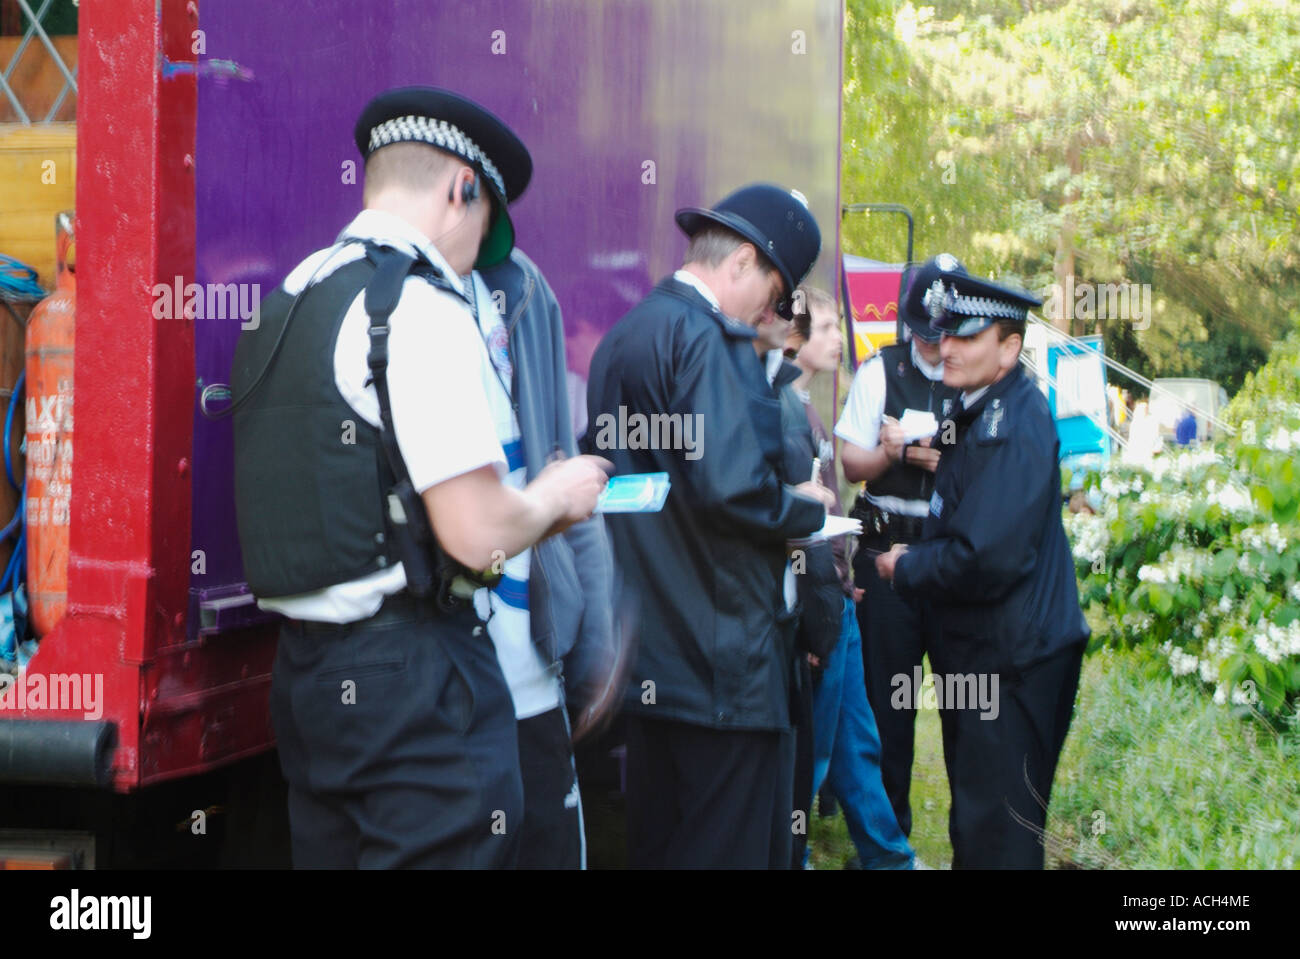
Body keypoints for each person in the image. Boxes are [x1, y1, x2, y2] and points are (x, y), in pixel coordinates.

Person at [230, 87, 610, 868]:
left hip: (308, 680)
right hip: (417, 682)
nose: (477, 254)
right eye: (483, 226)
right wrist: (556, 499)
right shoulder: (419, 306)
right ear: (461, 188)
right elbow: (475, 531)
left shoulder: (293, 297)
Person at [585, 183, 827, 868]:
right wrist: (810, 506)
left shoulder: (623, 338)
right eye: (777, 293)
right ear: (744, 260)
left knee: (660, 845)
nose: (773, 314)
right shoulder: (710, 340)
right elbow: (730, 491)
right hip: (725, 669)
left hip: (650, 662)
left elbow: (625, 488)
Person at [873, 266, 1090, 869]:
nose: (948, 348)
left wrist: (906, 567)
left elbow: (985, 556)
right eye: (945, 335)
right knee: (980, 817)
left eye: (967, 337)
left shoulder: (1012, 421)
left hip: (1014, 663)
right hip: (989, 656)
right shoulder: (978, 408)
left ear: (1010, 347)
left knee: (999, 835)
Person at [472, 247, 620, 868]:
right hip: (509, 685)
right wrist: (594, 666)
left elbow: (572, 520)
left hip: (496, 682)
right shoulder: (512, 290)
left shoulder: (512, 289)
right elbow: (574, 527)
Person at [784, 285, 915, 869]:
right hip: (821, 618)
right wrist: (817, 619)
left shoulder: (807, 407)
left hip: (839, 604)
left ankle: (890, 858)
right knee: (809, 752)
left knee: (855, 742)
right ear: (795, 337)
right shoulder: (784, 415)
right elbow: (794, 530)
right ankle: (790, 853)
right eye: (830, 328)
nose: (841, 340)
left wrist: (841, 583)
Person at [833, 254, 963, 838]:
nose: (935, 348)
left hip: (952, 555)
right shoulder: (879, 371)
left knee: (967, 699)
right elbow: (851, 461)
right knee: (889, 703)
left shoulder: (978, 375)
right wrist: (892, 453)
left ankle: (977, 831)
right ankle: (887, 839)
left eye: (945, 335)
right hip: (885, 550)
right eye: (925, 335)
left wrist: (949, 461)